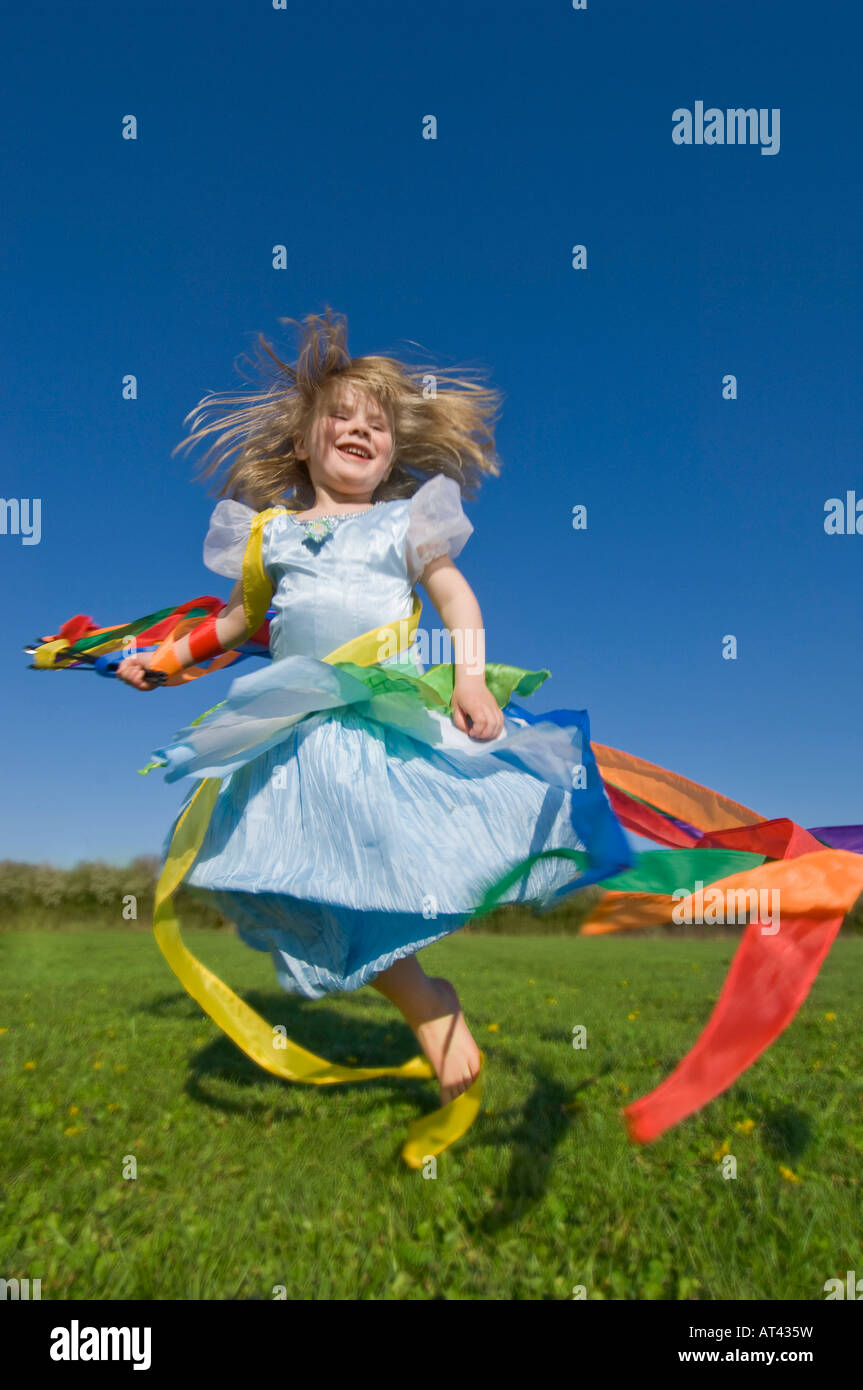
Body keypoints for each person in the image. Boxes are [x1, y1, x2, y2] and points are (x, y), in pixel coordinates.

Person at [117, 308, 631, 1111]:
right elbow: (235, 626)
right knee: (301, 890)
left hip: (381, 724)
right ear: (302, 442)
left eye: (378, 425)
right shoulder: (271, 536)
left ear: (391, 448)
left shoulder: (405, 521)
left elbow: (458, 604)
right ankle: (423, 995)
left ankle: (428, 1003)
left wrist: (467, 682)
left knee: (378, 877)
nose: (362, 431)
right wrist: (166, 659)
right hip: (293, 736)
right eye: (342, 418)